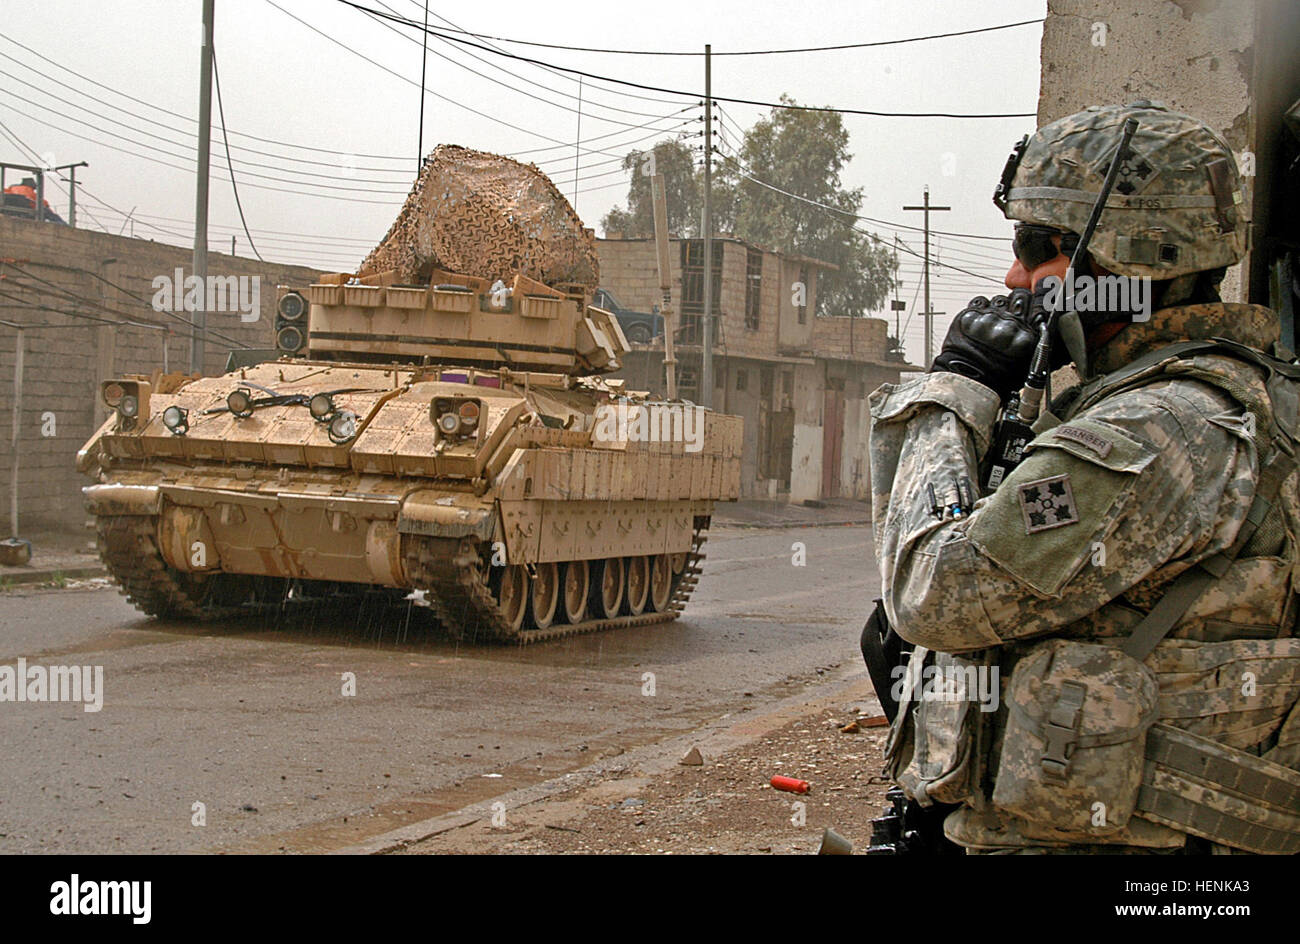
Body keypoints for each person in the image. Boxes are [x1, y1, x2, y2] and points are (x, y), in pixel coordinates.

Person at [868, 100, 1300, 853]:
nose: (1014, 275)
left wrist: (954, 389)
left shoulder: (1150, 431)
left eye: (1037, 248)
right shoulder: (1242, 398)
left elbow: (931, 592)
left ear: (1117, 265)